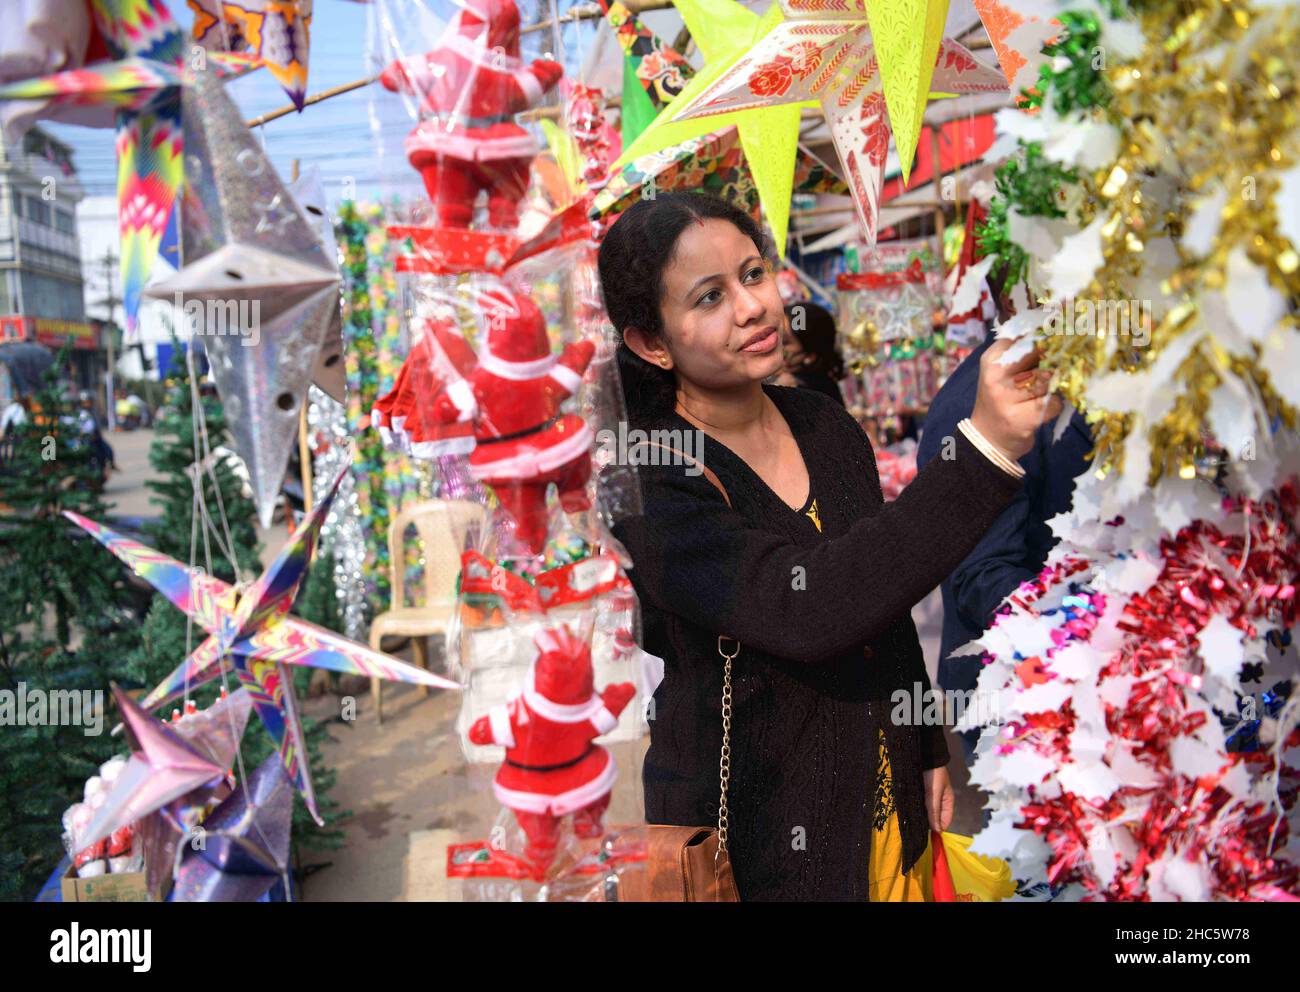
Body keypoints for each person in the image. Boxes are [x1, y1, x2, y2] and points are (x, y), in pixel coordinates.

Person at [598, 191, 1059, 901]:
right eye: (709, 297)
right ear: (651, 343)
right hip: (757, 836)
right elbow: (804, 607)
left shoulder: (823, 424)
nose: (753, 307)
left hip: (878, 796)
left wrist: (923, 740)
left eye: (754, 275)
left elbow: (883, 596)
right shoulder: (651, 478)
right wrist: (983, 454)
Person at [916, 304, 1093, 763]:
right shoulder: (978, 402)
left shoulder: (1085, 370)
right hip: (1024, 700)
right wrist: (1098, 625)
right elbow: (980, 577)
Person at [777, 301, 847, 406]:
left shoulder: (808, 397)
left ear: (810, 356)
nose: (774, 343)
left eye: (785, 342)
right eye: (775, 333)